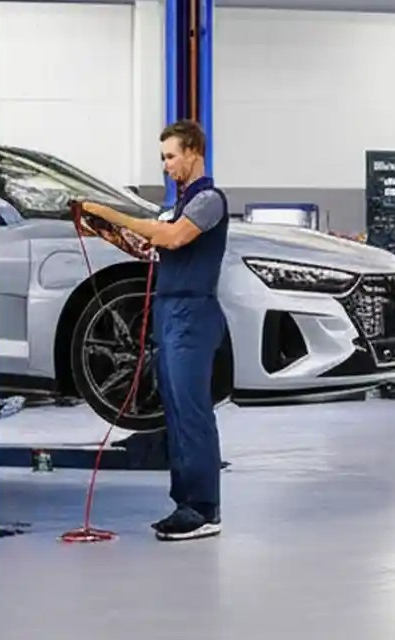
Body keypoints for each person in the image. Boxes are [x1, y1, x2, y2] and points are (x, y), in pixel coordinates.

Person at [78, 119, 229, 542]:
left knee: (193, 412)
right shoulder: (177, 206)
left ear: (194, 151)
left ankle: (204, 508)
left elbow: (173, 238)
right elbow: (150, 244)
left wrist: (108, 210)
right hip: (169, 312)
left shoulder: (208, 201)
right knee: (176, 414)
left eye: (170, 156)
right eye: (162, 157)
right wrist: (104, 229)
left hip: (193, 314)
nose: (165, 165)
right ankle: (185, 505)